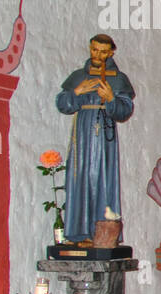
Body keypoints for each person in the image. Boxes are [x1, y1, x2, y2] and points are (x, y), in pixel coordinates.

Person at [55, 34, 135, 244]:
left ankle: (102, 234)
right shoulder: (78, 76)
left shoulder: (119, 79)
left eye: (103, 51)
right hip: (82, 133)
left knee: (103, 178)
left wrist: (111, 99)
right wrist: (76, 92)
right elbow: (63, 104)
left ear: (111, 53)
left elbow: (125, 110)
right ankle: (78, 233)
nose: (97, 55)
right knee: (79, 178)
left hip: (104, 134)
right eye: (94, 50)